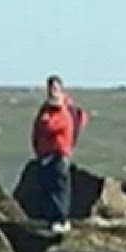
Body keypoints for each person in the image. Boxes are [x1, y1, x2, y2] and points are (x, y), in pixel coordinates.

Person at [29, 75, 89, 233]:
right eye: (50, 89)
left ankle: (60, 220)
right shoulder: (47, 108)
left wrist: (47, 121)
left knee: (59, 189)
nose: (52, 92)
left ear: (61, 90)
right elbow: (38, 129)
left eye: (55, 88)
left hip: (59, 154)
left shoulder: (63, 108)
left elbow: (57, 125)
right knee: (49, 188)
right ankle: (52, 221)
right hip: (46, 155)